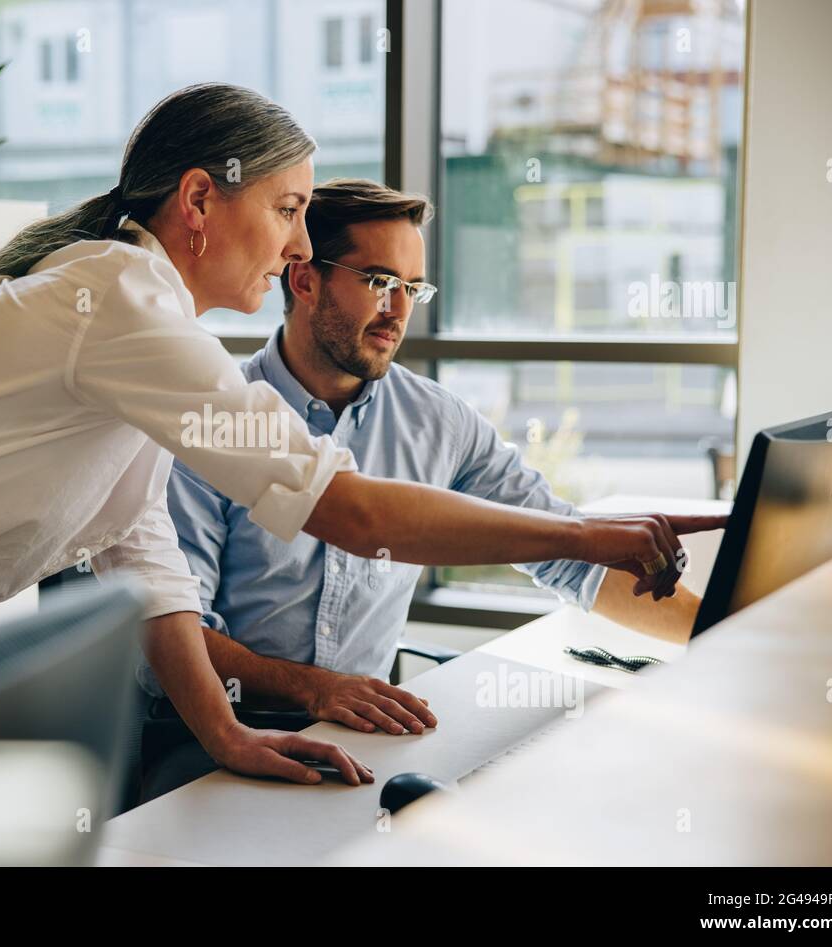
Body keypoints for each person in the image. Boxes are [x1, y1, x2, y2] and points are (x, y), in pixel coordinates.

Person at [0, 83, 722, 788]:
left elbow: (140, 558)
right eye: (289, 208)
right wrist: (587, 539)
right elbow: (347, 510)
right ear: (202, 199)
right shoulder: (121, 306)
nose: (297, 242)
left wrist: (228, 737)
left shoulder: (145, 333)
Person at [139, 179, 709, 798]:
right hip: (214, 735)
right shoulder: (211, 420)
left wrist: (721, 637)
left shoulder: (438, 422)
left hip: (364, 738)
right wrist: (316, 687)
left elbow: (572, 558)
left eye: (413, 288)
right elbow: (172, 630)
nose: (401, 310)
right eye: (380, 282)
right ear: (304, 279)